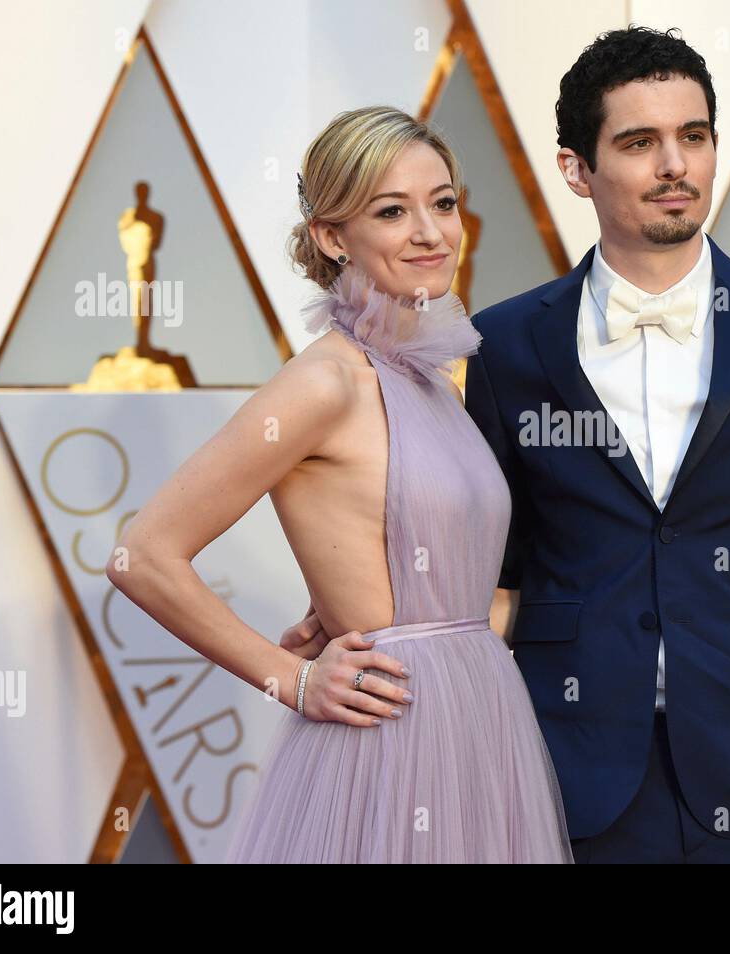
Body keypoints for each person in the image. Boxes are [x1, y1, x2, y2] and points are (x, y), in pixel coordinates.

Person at [462, 26, 730, 862]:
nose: (675, 165)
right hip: (572, 781)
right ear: (576, 169)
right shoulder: (508, 344)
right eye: (639, 142)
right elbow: (496, 571)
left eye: (693, 137)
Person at [108, 106, 574, 863]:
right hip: (391, 735)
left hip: (484, 720)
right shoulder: (324, 383)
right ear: (330, 236)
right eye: (392, 210)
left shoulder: (429, 378)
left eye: (444, 202)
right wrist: (291, 679)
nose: (431, 232)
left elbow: (446, 585)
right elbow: (142, 555)